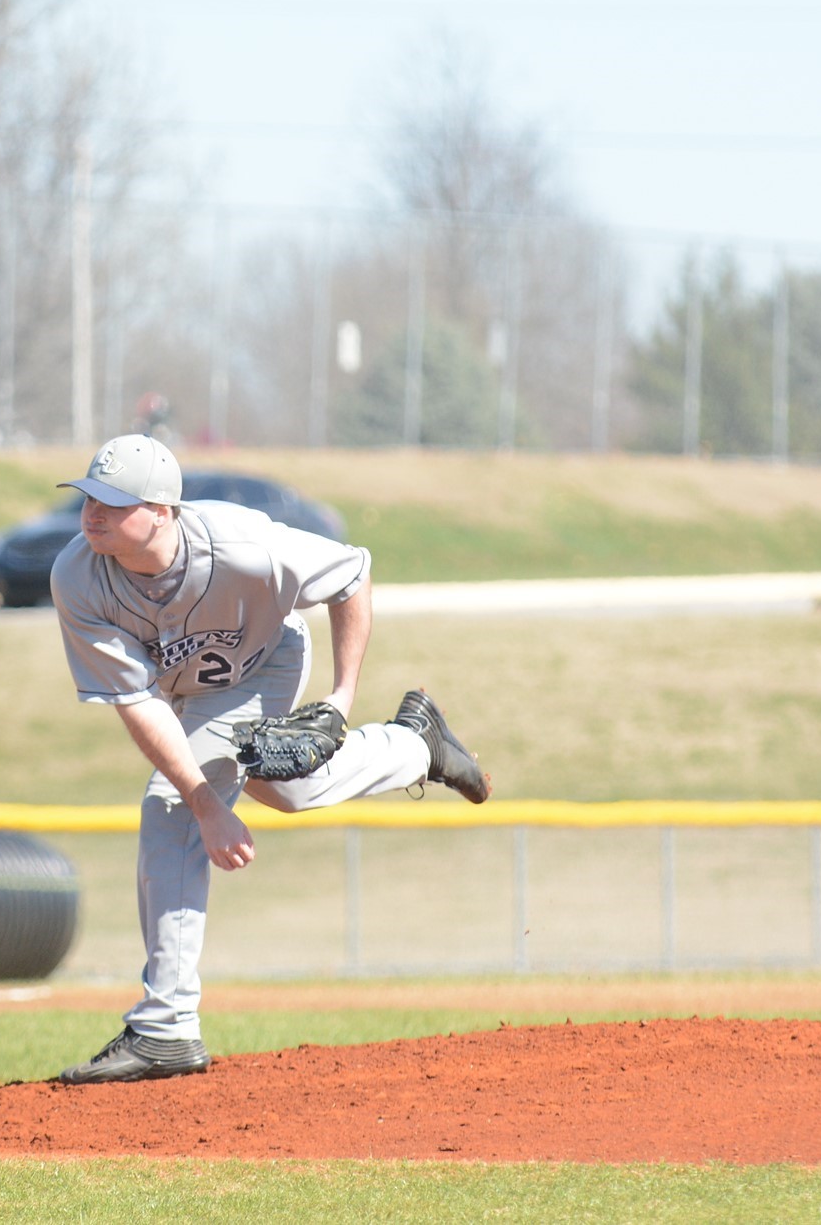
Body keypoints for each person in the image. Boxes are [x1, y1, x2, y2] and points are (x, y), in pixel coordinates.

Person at [49, 433, 490, 1085]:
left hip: (262, 665)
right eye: (89, 497)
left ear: (163, 510)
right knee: (288, 789)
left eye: (114, 502)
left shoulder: (243, 547)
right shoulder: (77, 576)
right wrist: (211, 803)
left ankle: (166, 1027)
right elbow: (138, 704)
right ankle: (415, 744)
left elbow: (352, 573)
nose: (93, 513)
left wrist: (339, 700)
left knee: (171, 809)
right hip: (180, 691)